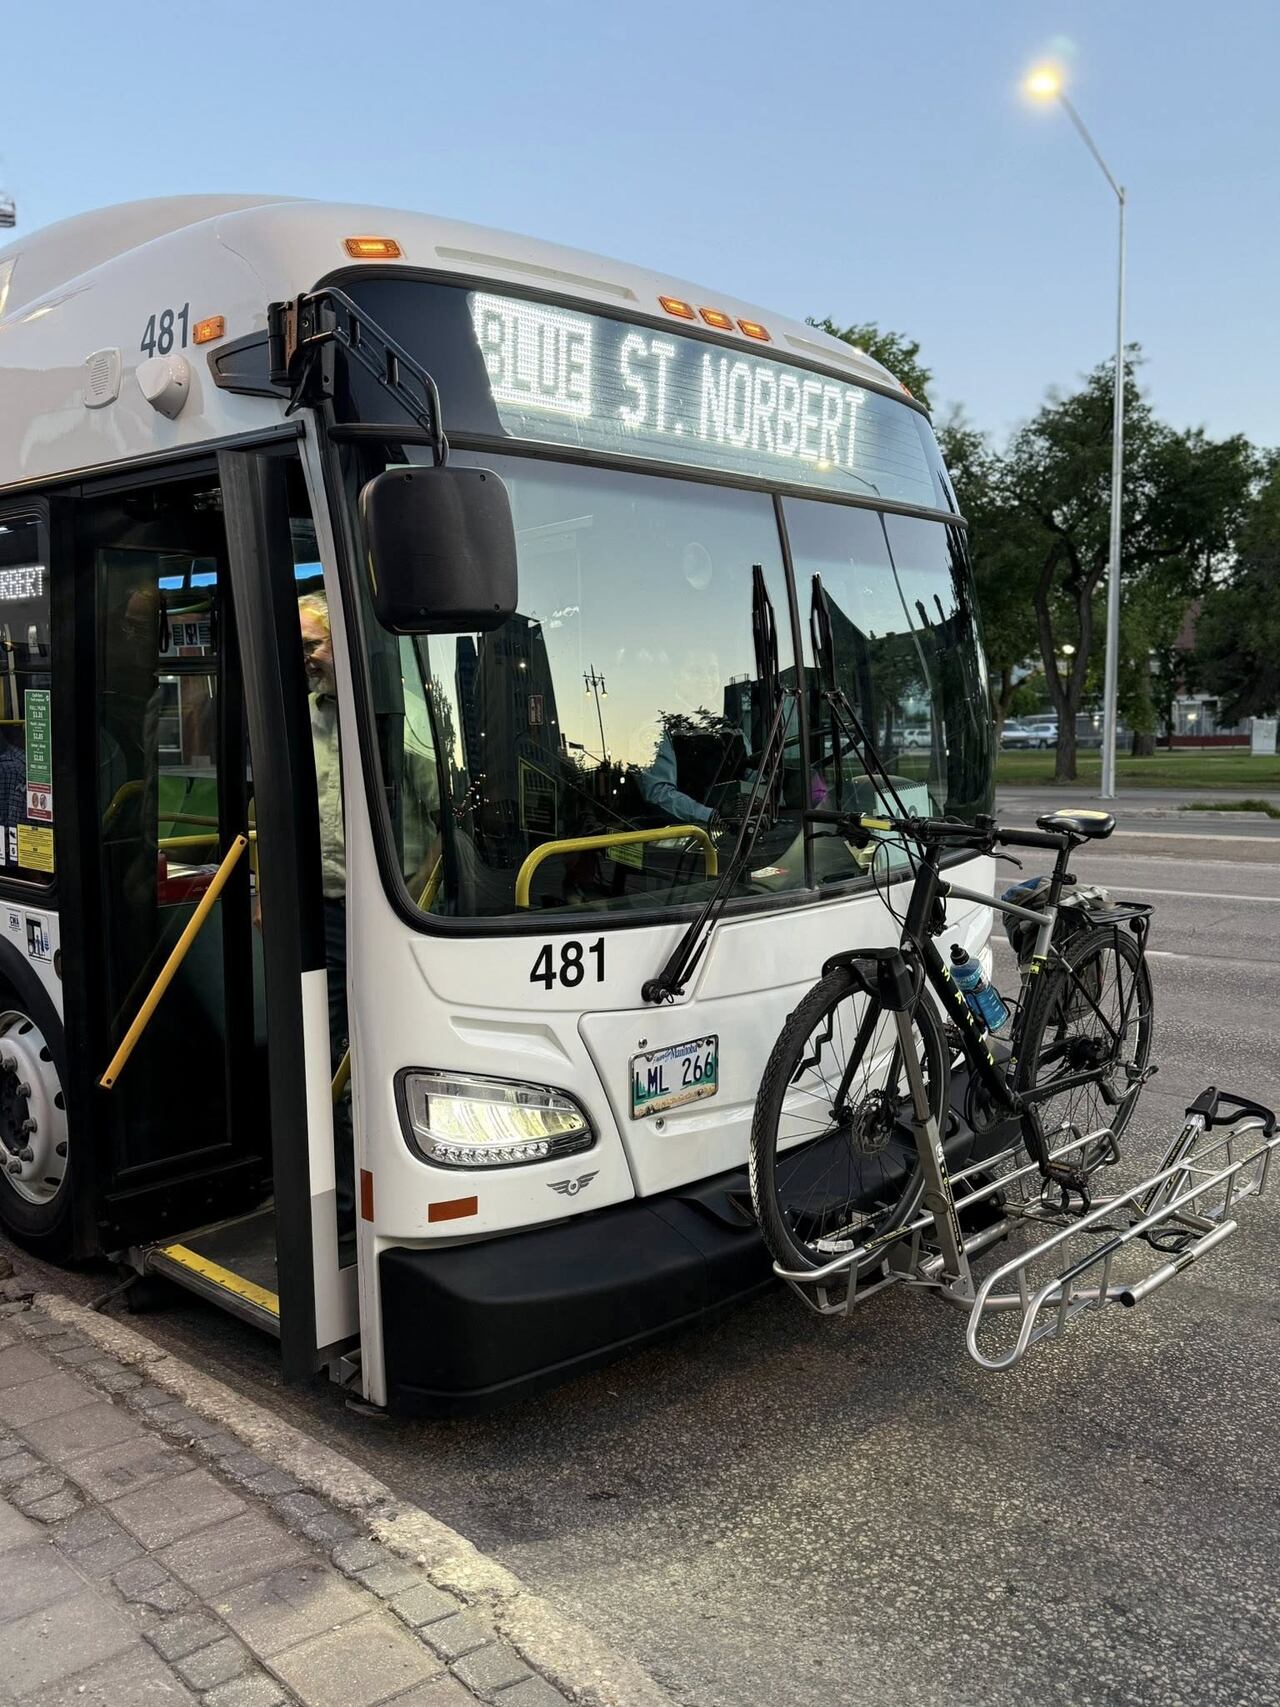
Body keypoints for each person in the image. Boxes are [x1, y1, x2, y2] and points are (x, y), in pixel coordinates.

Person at [297, 592, 356, 1243]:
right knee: (335, 1057)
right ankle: (342, 1208)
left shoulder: (395, 719)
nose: (308, 656)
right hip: (325, 911)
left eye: (314, 642)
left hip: (390, 910)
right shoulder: (300, 722)